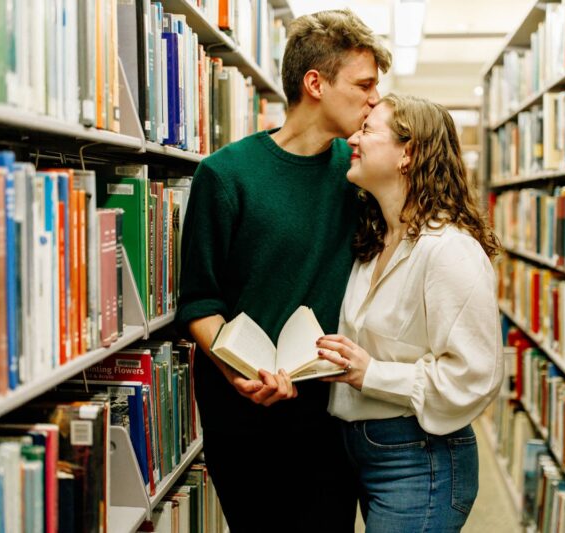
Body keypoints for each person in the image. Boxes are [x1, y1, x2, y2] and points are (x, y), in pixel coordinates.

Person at [175, 9, 391, 533]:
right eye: (363, 85)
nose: (374, 101)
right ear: (315, 83)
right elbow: (200, 302)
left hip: (332, 408)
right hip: (242, 409)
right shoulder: (224, 176)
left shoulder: (363, 172)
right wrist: (238, 372)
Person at [315, 94, 504, 532]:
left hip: (421, 458)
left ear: (409, 152)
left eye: (368, 130)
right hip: (359, 448)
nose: (352, 139)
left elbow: (475, 375)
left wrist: (372, 374)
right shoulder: (375, 241)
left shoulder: (448, 250)